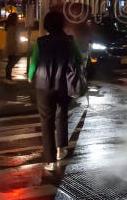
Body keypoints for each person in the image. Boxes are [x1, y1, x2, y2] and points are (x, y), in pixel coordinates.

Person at [28, 10, 85, 172]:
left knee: (46, 121)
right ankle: (61, 149)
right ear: (62, 24)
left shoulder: (40, 42)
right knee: (62, 115)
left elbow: (34, 63)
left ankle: (50, 160)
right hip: (64, 85)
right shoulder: (69, 41)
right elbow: (79, 60)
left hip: (43, 86)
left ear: (46, 25)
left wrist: (30, 76)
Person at [4, 12, 21, 82]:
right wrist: (14, 49)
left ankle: (8, 76)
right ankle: (8, 77)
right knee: (11, 62)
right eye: (17, 18)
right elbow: (11, 40)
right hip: (12, 48)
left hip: (12, 48)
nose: (18, 19)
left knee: (11, 62)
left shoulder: (12, 27)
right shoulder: (11, 28)